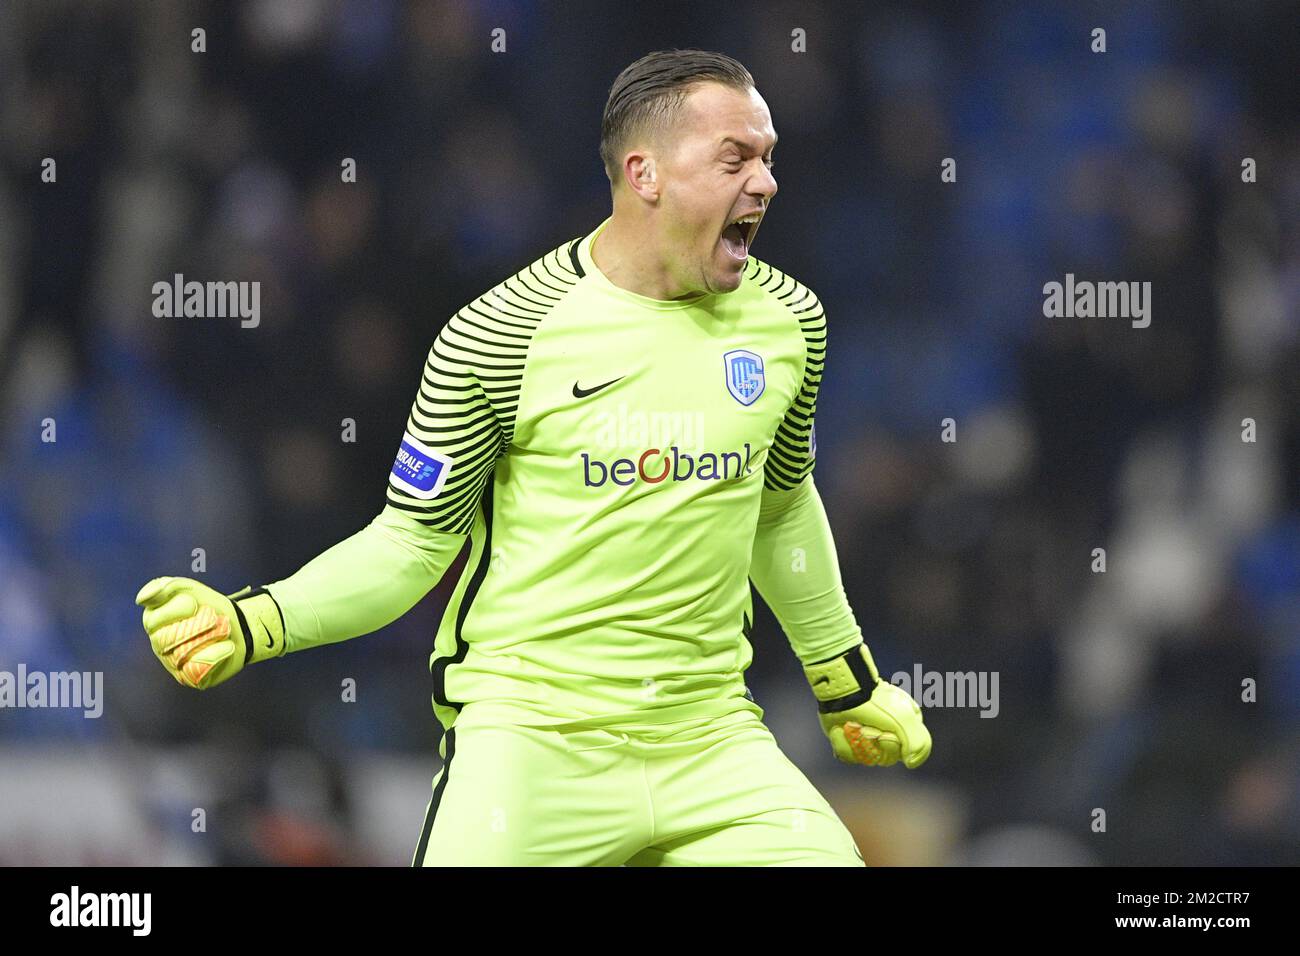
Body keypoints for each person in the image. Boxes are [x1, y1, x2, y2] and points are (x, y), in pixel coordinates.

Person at [136, 48, 931, 867]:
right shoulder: (501, 332)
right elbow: (411, 543)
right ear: (644, 173)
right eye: (735, 158)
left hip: (713, 740)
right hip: (530, 741)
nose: (764, 182)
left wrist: (847, 682)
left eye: (768, 158)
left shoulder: (789, 320)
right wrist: (254, 619)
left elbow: (781, 505)